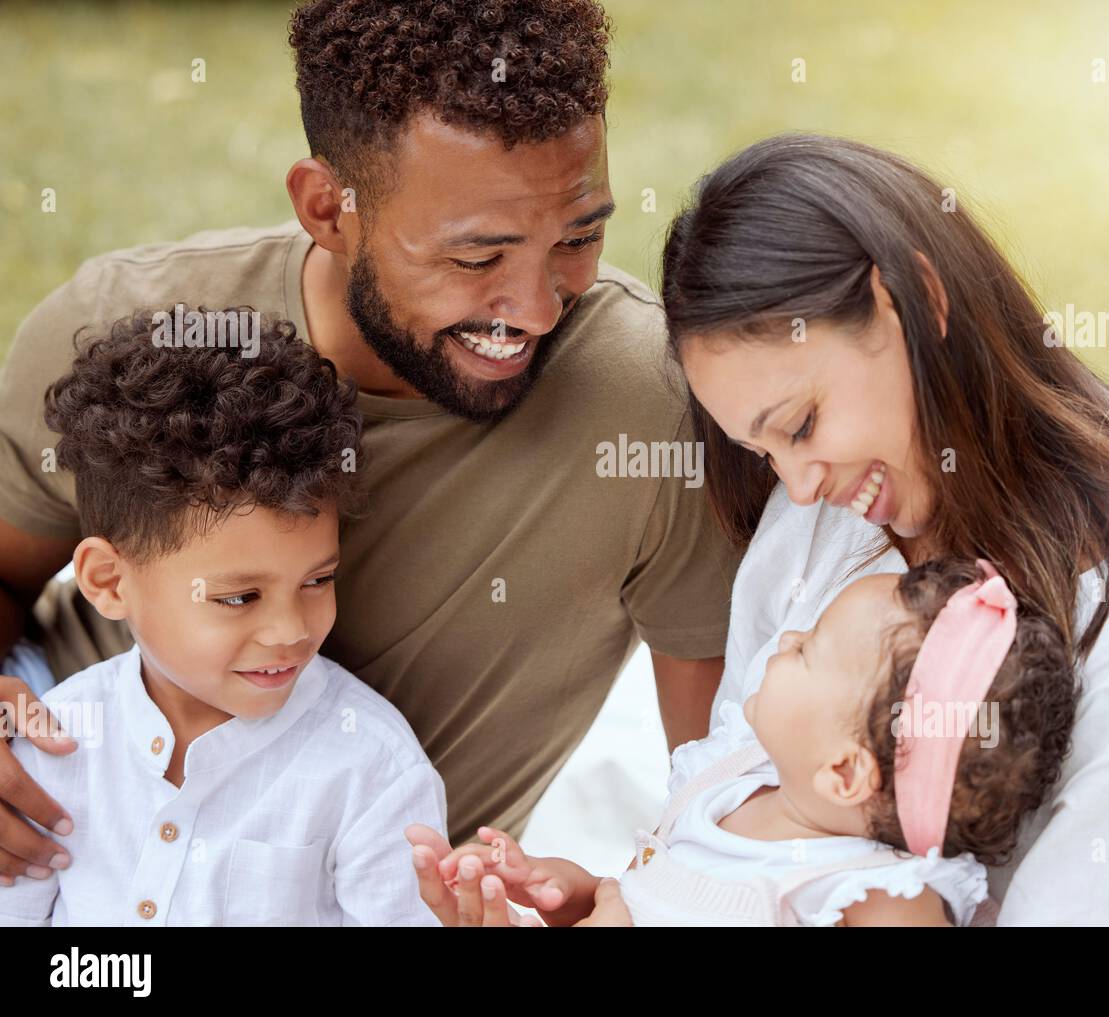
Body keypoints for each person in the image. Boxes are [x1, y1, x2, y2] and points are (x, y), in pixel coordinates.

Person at [0, 0, 742, 904]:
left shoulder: (654, 410)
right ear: (327, 207)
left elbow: (720, 786)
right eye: (477, 257)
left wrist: (631, 903)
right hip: (62, 845)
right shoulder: (125, 325)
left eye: (580, 236)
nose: (540, 307)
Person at [571, 132, 1109, 925]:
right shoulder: (820, 526)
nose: (799, 487)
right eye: (761, 449)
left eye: (803, 422)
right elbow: (755, 817)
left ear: (914, 301)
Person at [0, 308, 446, 925]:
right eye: (238, 598)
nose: (291, 632)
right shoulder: (50, 750)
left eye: (318, 580)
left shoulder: (371, 769)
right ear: (107, 581)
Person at [428, 558, 1081, 926]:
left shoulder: (875, 893)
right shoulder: (727, 784)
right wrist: (578, 893)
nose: (786, 640)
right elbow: (655, 904)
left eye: (809, 647)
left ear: (845, 771)